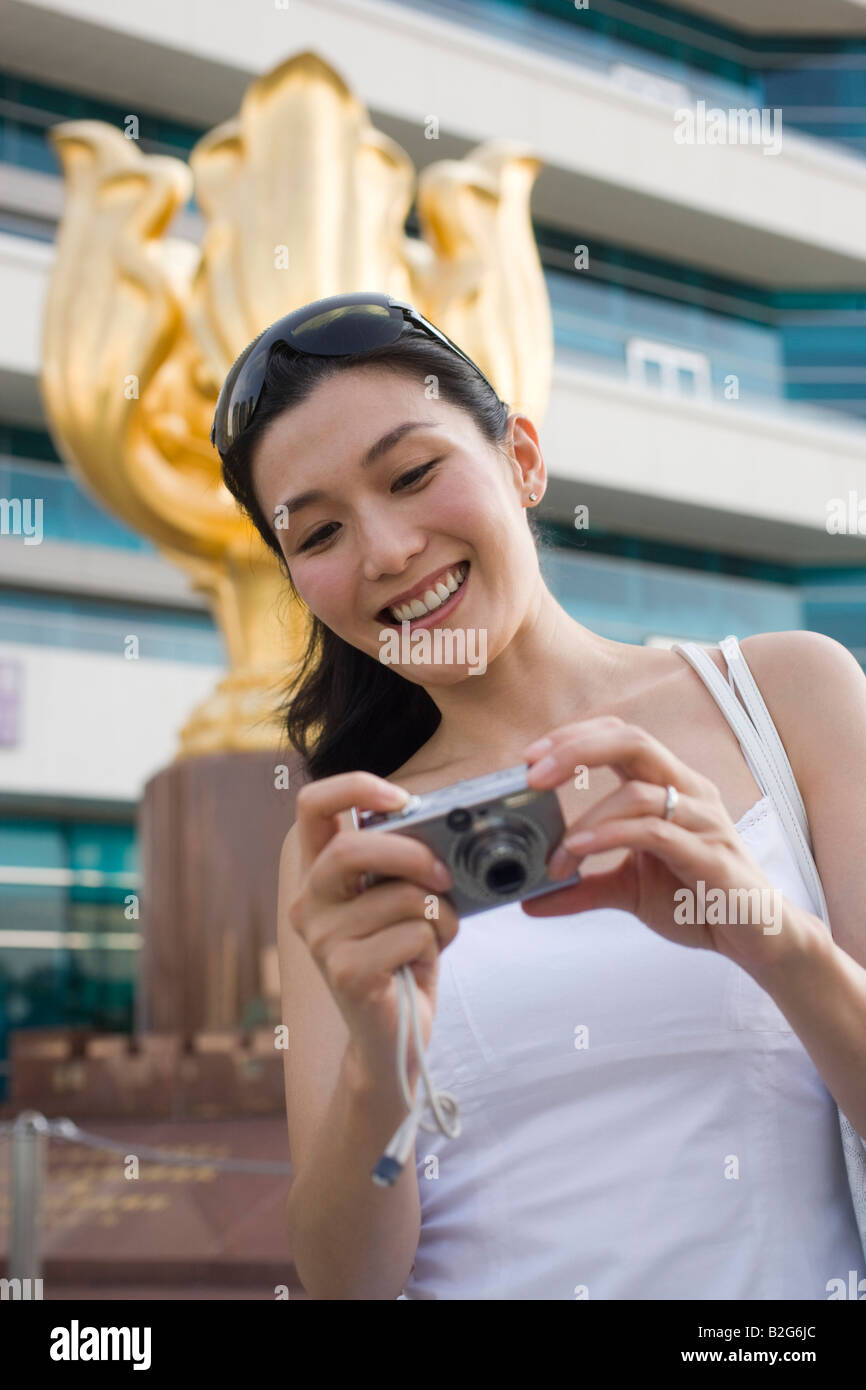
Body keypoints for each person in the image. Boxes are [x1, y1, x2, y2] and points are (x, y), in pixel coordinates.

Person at [212, 292, 866, 1301]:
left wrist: (761, 931)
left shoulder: (789, 696)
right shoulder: (351, 840)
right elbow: (345, 1280)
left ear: (519, 457)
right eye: (320, 533)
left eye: (414, 473)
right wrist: (375, 1070)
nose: (384, 550)